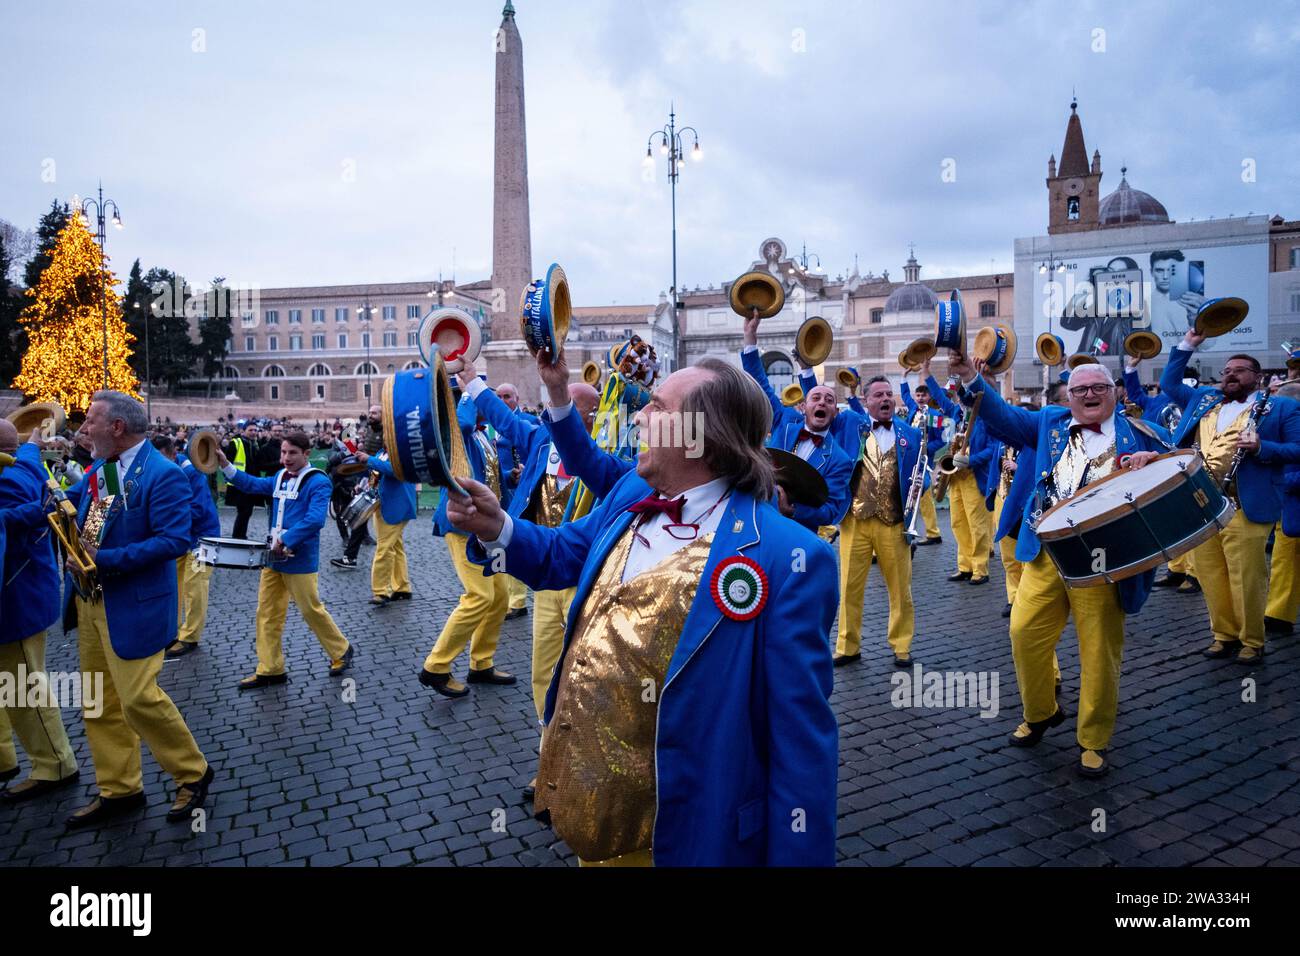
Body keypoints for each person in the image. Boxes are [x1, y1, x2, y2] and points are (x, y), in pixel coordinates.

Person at [447, 357, 838, 866]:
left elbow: (799, 745)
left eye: (655, 407)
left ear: (701, 434)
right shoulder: (636, 487)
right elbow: (565, 552)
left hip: (683, 834)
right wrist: (496, 526)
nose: (637, 418)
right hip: (589, 810)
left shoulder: (788, 558)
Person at [947, 354, 1172, 777]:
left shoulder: (1143, 433)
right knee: (1023, 632)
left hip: (1104, 562)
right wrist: (969, 377)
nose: (1089, 395)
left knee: (1098, 653)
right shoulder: (1048, 421)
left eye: (1098, 388)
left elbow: (1182, 464)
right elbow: (1002, 414)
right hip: (1047, 554)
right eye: (1080, 390)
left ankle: (1093, 739)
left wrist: (1152, 463)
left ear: (1115, 394)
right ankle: (1041, 711)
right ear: (1069, 397)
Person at [62, 391, 214, 828]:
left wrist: (102, 559)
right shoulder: (105, 468)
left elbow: (174, 541)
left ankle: (194, 772)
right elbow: (94, 527)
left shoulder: (163, 474)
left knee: (138, 700)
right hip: (92, 600)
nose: (83, 429)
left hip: (135, 605)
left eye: (91, 421)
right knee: (100, 704)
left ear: (117, 428)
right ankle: (119, 789)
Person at [1160, 332, 1300, 663]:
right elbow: (1169, 382)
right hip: (1201, 504)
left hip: (1245, 504)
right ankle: (1223, 635)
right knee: (1210, 574)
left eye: (1240, 369)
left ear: (1259, 377)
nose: (1231, 374)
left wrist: (1263, 448)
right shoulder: (1204, 399)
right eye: (1227, 370)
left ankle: (1252, 640)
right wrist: (1188, 344)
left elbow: (1297, 448)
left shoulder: (1281, 406)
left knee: (1246, 577)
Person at [217, 431, 356, 689]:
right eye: (283, 452)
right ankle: (271, 669)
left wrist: (287, 540)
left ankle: (341, 650)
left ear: (306, 454)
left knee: (310, 610)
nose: (286, 458)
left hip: (300, 559)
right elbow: (251, 485)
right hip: (273, 558)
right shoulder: (279, 476)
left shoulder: (318, 481)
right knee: (267, 613)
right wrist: (225, 464)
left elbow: (315, 520)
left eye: (292, 453)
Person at [0, 421, 80, 803]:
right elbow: (28, 458)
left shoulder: (11, 477)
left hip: (17, 598)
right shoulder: (27, 465)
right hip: (27, 591)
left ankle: (55, 764)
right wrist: (31, 446)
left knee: (23, 687)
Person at [418, 393, 515, 699]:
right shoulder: (456, 433)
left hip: (489, 527)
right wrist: (472, 390)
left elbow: (491, 477)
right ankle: (436, 666)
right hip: (463, 524)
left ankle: (481, 663)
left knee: (500, 597)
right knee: (479, 596)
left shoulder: (483, 436)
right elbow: (462, 421)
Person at [830, 375, 926, 668]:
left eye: (889, 394)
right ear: (866, 401)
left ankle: (901, 645)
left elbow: (923, 470)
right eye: (879, 395)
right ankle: (848, 645)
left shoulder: (911, 433)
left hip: (894, 522)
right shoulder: (850, 425)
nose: (885, 399)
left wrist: (924, 482)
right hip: (855, 520)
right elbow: (817, 407)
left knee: (900, 587)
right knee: (849, 587)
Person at [739, 316, 853, 532]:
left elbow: (831, 512)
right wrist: (750, 339)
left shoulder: (840, 460)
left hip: (799, 533)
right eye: (816, 398)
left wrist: (793, 510)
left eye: (829, 400)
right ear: (804, 407)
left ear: (835, 413)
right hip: (758, 518)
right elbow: (760, 384)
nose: (822, 402)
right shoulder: (785, 421)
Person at [149, 435, 222, 659]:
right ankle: (171, 632)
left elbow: (196, 509)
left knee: (195, 588)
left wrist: (162, 521)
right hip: (180, 538)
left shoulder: (192, 473)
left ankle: (190, 636)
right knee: (173, 587)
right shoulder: (162, 470)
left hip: (204, 539)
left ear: (173, 454)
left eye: (162, 458)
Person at [494, 381, 539, 621]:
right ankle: (507, 598)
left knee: (515, 544)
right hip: (499, 492)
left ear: (517, 399)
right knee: (500, 546)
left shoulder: (529, 422)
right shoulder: (491, 425)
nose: (502, 402)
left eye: (507, 397)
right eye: (498, 397)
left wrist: (527, 470)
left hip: (519, 494)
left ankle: (518, 600)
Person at [355, 439, 416, 607]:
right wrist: (362, 484)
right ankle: (402, 587)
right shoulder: (381, 453)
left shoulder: (403, 452)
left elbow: (394, 470)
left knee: (384, 548)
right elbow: (374, 473)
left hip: (396, 506)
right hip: (383, 506)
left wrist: (369, 459)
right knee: (395, 546)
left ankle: (381, 592)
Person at [898, 370, 947, 544]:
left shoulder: (936, 415)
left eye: (923, 395)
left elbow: (943, 439)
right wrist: (903, 376)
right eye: (917, 395)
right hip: (907, 459)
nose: (919, 398)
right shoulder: (912, 409)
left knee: (924, 498)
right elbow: (905, 394)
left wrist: (925, 449)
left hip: (923, 460)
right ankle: (931, 532)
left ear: (929, 397)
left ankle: (933, 533)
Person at [223, 422, 263, 540]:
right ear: (243, 431)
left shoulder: (255, 444)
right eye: (251, 430)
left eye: (255, 430)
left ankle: (240, 535)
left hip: (251, 482)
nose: (253, 432)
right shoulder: (236, 443)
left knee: (247, 511)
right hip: (239, 483)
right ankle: (238, 536)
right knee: (243, 511)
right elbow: (227, 462)